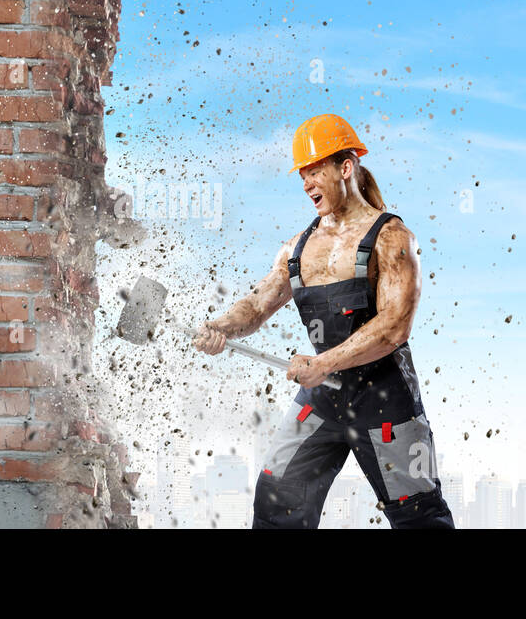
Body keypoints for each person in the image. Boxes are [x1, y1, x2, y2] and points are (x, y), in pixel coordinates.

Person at [193, 113, 455, 529]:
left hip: (385, 398)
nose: (306, 184)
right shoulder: (297, 248)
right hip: (324, 397)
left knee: (418, 515)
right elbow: (258, 304)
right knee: (277, 497)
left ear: (345, 168)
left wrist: (323, 363)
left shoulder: (392, 238)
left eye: (315, 171)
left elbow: (393, 328)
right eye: (303, 175)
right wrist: (220, 327)